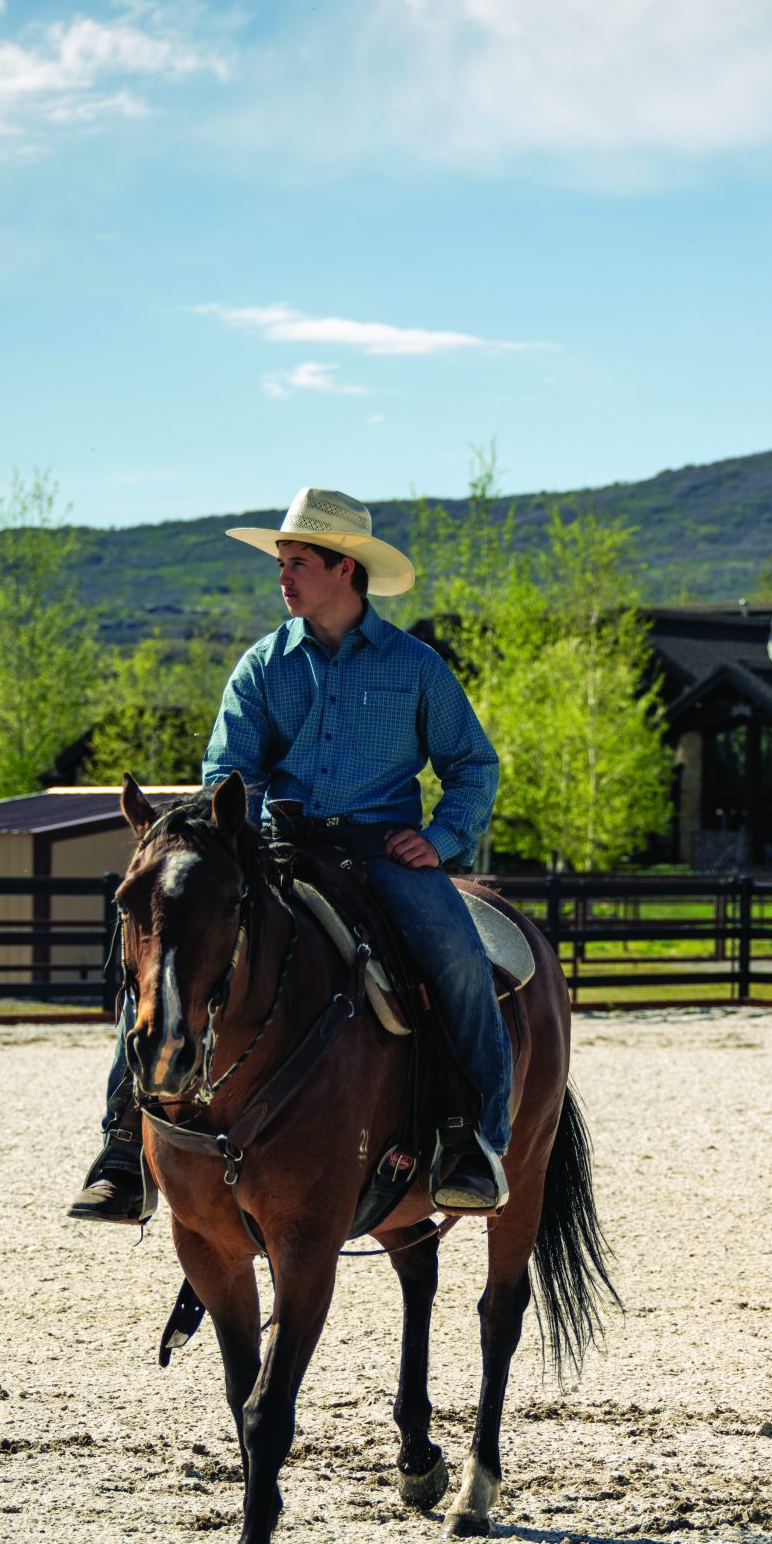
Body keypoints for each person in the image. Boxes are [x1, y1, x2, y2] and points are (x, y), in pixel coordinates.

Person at [68, 486, 513, 1222]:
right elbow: (226, 775)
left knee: (460, 963)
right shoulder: (262, 666)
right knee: (165, 959)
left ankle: (474, 1141)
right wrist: (253, 828)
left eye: (298, 561)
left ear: (346, 569)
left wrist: (437, 840)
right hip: (276, 849)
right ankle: (122, 1146)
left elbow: (473, 766)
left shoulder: (416, 667)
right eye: (281, 561)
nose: (283, 576)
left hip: (383, 854)